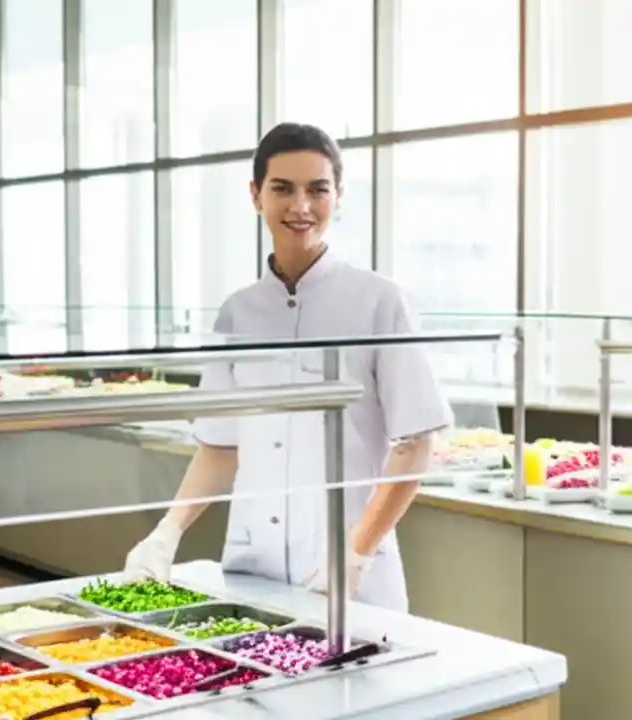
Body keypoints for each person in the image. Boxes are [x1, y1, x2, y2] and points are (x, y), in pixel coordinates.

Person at [123, 123, 449, 612]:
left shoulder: (380, 301)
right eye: (283, 189)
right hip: (254, 568)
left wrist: (356, 553)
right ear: (256, 196)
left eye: (317, 189)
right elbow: (220, 447)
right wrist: (167, 531)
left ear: (338, 197)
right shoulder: (238, 312)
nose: (301, 206)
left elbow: (415, 445)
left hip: (349, 574)